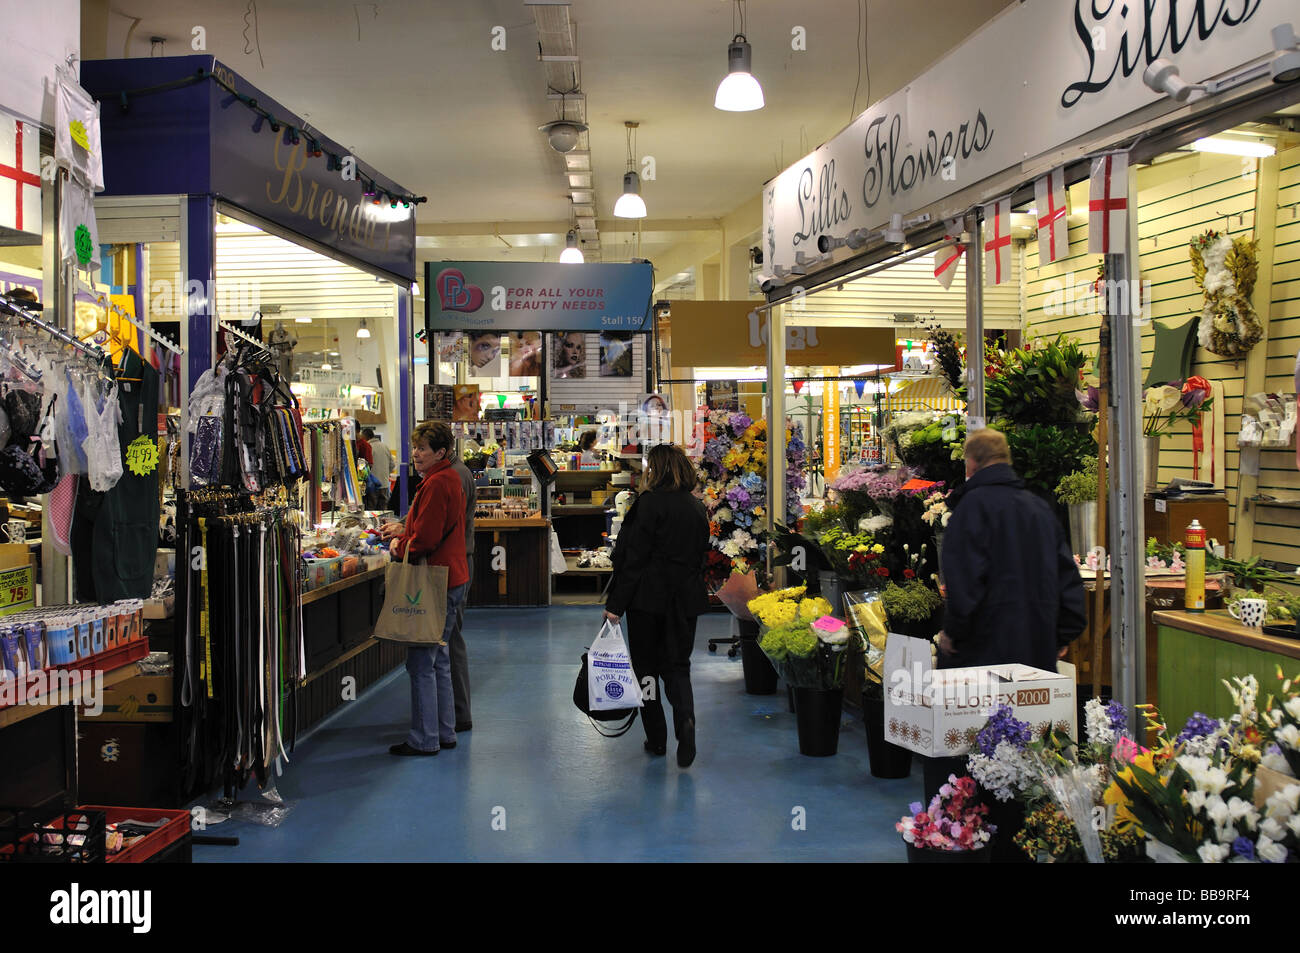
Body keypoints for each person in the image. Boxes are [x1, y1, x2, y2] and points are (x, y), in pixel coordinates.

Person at [938, 428, 1086, 672]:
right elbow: (1068, 579)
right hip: (1036, 653)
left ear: (972, 463)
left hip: (982, 655)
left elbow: (964, 582)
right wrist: (1061, 635)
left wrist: (953, 632)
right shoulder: (1040, 509)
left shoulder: (970, 510)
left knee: (991, 712)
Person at [603, 443, 710, 768]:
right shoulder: (696, 508)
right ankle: (686, 721)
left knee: (646, 671)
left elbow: (632, 560)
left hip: (648, 602)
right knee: (678, 666)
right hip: (686, 600)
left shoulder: (647, 505)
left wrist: (615, 605)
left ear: (657, 470)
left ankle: (657, 737)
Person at [380, 422, 468, 756]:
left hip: (434, 580)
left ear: (441, 452)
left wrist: (400, 546)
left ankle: (424, 738)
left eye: (423, 448)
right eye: (415, 447)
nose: (415, 454)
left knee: (420, 663)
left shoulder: (436, 484)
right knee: (439, 660)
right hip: (451, 577)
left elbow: (427, 539)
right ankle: (444, 732)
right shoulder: (447, 479)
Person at [448, 452, 476, 732]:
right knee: (451, 637)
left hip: (453, 563)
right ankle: (453, 712)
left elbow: (444, 525)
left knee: (450, 638)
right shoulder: (458, 472)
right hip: (460, 560)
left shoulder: (452, 476)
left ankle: (457, 714)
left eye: (421, 448)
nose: (416, 454)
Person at [366, 428, 392, 510]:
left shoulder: (368, 447)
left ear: (365, 437)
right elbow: (392, 464)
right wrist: (386, 474)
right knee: (383, 510)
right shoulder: (385, 446)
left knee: (371, 510)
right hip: (384, 484)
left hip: (372, 485)